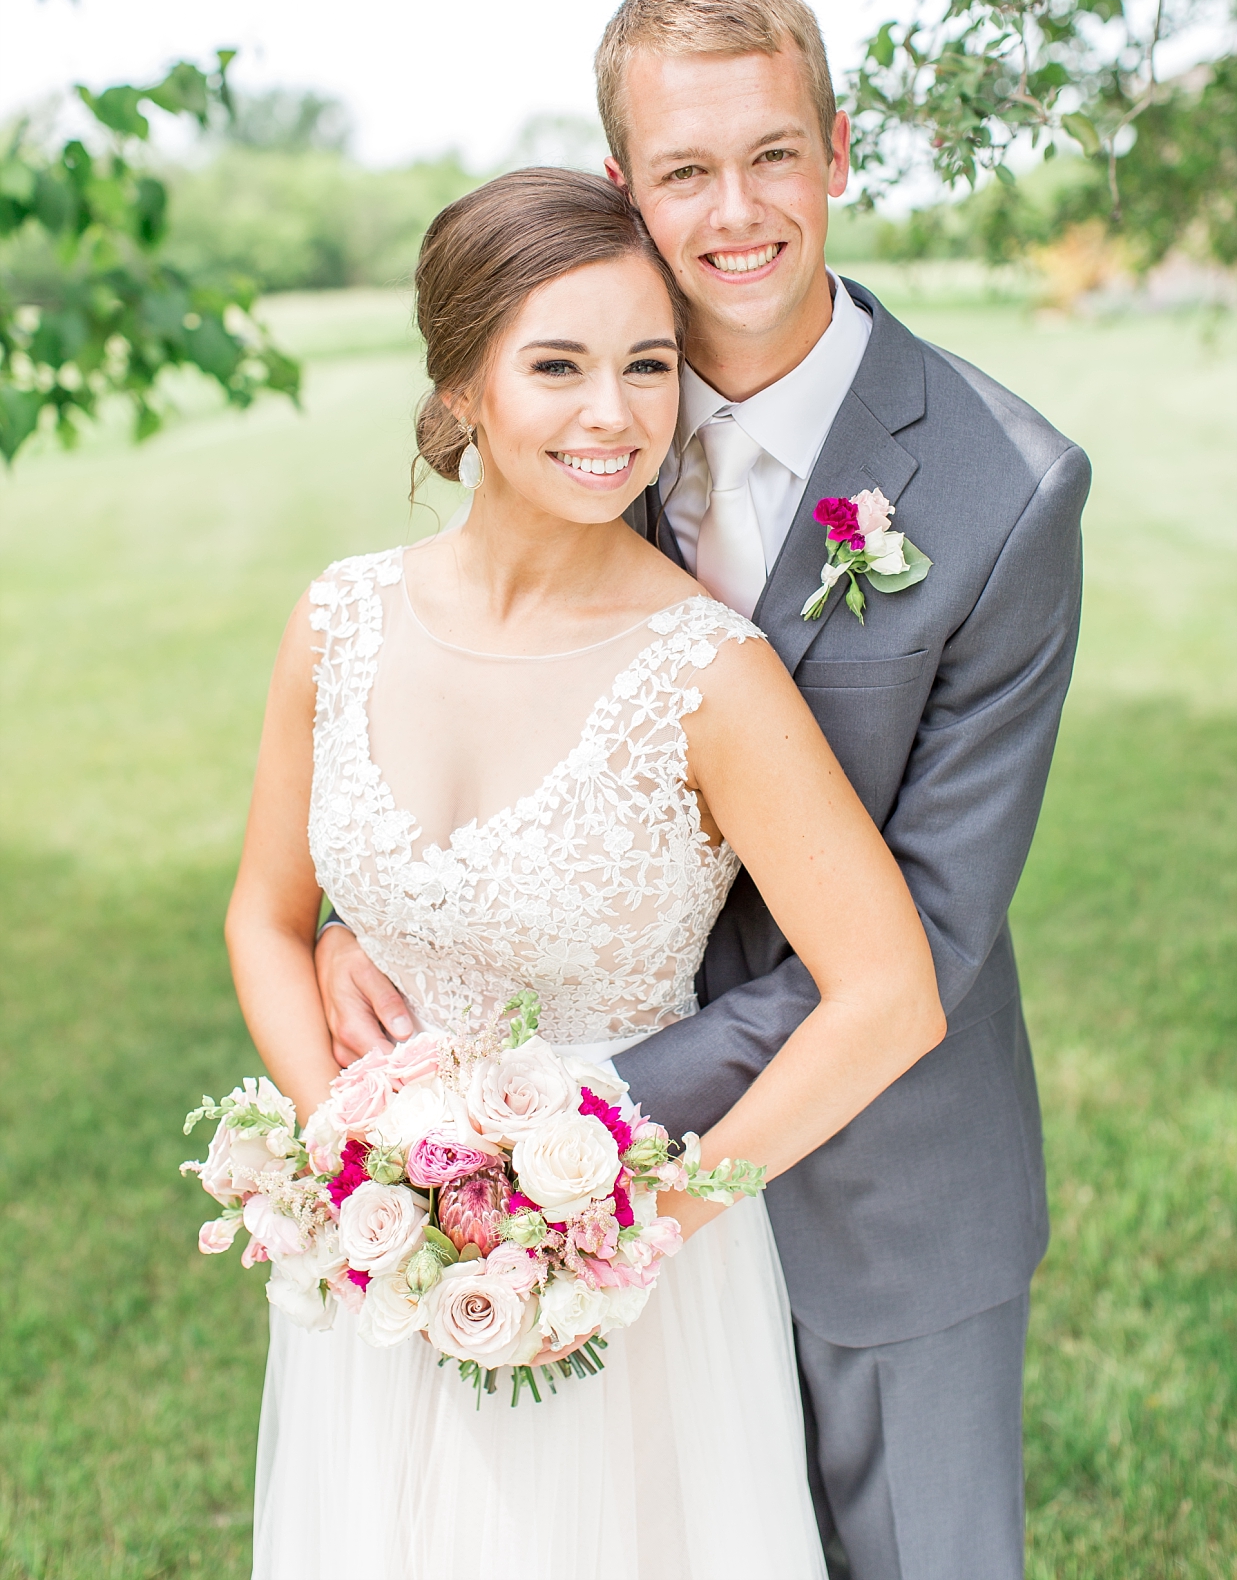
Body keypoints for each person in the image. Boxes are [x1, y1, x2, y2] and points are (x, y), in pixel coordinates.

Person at [316, 0, 1091, 1580]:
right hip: (571, 1196)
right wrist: (376, 923)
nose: (733, 212)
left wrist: (557, 1107)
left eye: (770, 156)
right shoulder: (596, 413)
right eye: (682, 171)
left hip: (879, 1176)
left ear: (838, 152)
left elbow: (923, 935)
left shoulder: (1003, 491)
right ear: (622, 188)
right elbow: (477, 698)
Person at [227, 165, 945, 1578]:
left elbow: (889, 995)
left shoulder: (705, 673)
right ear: (458, 394)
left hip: (627, 1282)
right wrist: (374, 1183)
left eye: (647, 365)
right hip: (388, 1265)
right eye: (556, 365)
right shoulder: (339, 618)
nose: (612, 414)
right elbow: (263, 916)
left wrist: (628, 1224)